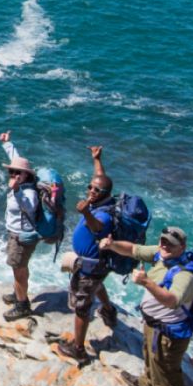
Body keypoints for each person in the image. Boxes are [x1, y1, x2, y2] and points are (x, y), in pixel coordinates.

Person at [100, 225, 193, 386]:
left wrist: (146, 282)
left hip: (169, 333)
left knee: (167, 377)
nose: (164, 246)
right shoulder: (160, 255)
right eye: (163, 241)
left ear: (182, 247)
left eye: (171, 244)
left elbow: (173, 300)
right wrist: (113, 244)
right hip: (154, 325)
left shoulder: (185, 274)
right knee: (149, 357)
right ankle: (147, 383)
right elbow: (133, 249)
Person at [56, 144, 119, 364]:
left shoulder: (105, 215)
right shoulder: (103, 198)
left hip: (90, 268)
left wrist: (85, 212)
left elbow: (97, 228)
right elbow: (99, 177)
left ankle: (79, 349)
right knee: (98, 286)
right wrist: (97, 159)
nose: (91, 191)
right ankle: (109, 311)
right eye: (89, 188)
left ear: (105, 194)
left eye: (96, 190)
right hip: (98, 268)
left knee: (81, 307)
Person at [0, 131, 41, 321]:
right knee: (19, 267)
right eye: (11, 172)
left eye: (17, 173)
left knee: (18, 270)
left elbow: (30, 209)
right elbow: (16, 159)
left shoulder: (28, 192)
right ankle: (18, 294)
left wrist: (16, 192)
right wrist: (8, 144)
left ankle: (22, 305)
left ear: (26, 175)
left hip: (22, 236)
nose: (13, 174)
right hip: (15, 232)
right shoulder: (22, 182)